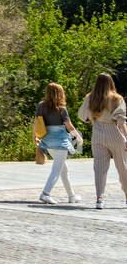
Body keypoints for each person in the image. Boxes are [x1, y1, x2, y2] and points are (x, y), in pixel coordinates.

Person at [78, 72, 127, 210]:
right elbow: (121, 121)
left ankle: (100, 198)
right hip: (115, 133)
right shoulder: (117, 99)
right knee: (123, 167)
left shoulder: (90, 98)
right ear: (111, 82)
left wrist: (91, 118)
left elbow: (82, 115)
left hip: (97, 133)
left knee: (99, 168)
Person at [35, 82, 83, 204]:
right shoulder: (62, 109)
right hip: (60, 141)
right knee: (57, 169)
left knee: (63, 169)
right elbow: (69, 126)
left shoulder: (41, 106)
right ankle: (45, 193)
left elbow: (37, 123)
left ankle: (72, 196)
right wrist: (78, 137)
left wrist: (35, 137)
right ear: (60, 94)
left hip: (47, 140)